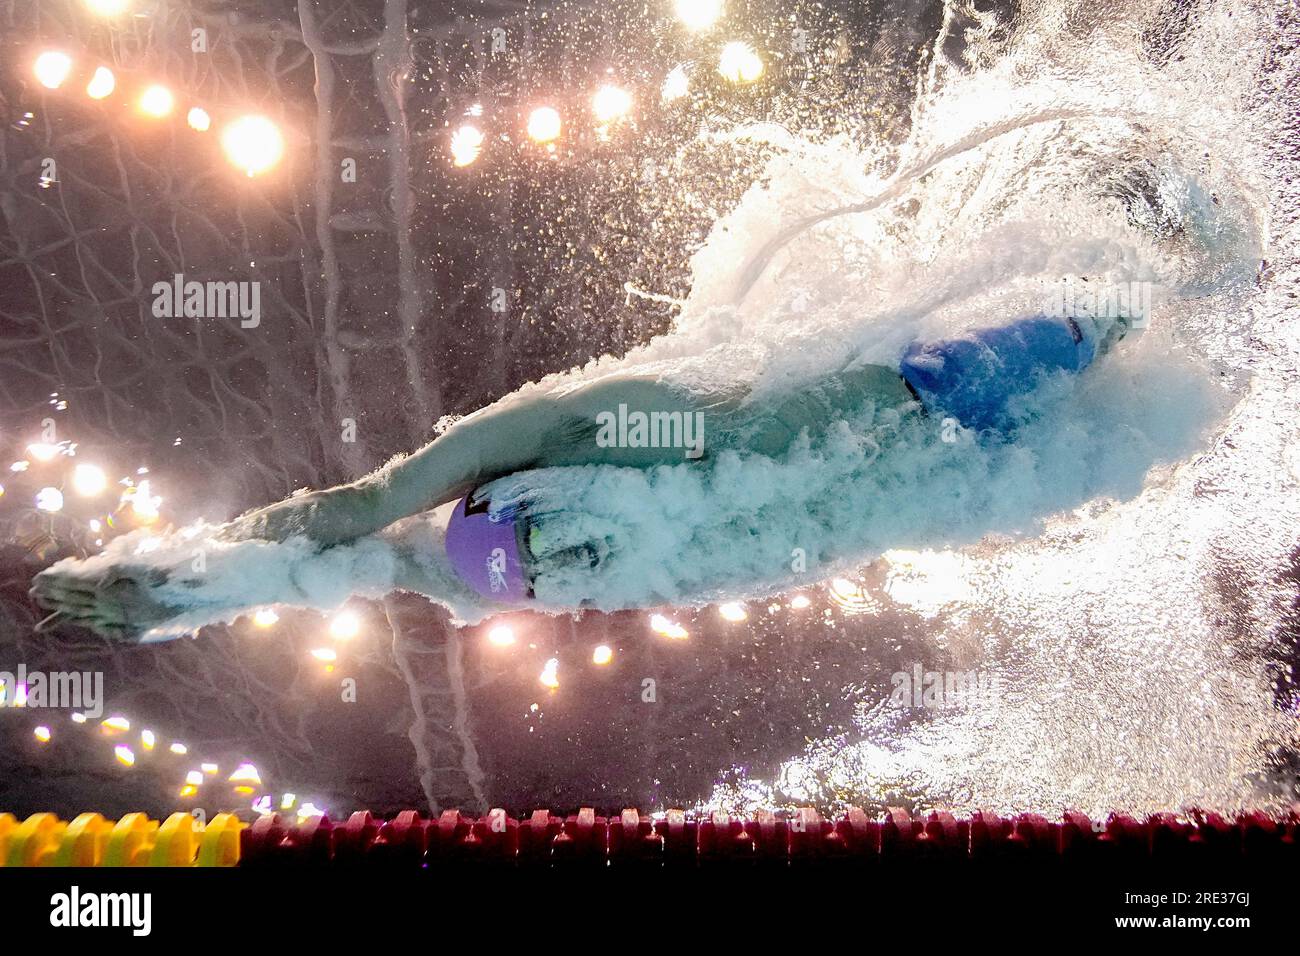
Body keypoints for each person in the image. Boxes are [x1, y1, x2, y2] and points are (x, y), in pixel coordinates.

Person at [29, 313, 1130, 640]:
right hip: (882, 498)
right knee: (1062, 469)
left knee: (1082, 328)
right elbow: (322, 574)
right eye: (546, 582)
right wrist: (186, 598)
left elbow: (347, 515)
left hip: (890, 402)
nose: (570, 569)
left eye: (552, 547)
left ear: (524, 496)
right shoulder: (475, 581)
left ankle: (1140, 269)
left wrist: (164, 562)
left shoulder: (559, 434)